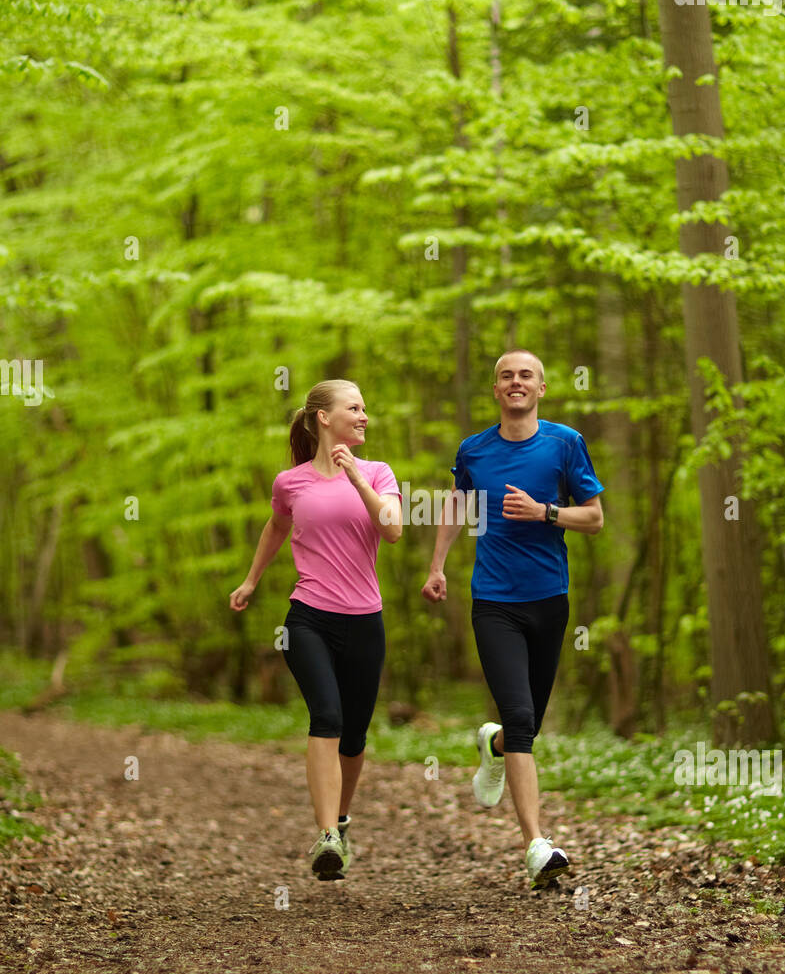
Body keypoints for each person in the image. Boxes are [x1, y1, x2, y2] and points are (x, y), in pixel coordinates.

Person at [421, 350, 604, 889]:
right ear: (496, 390)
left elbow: (594, 518)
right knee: (522, 719)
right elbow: (457, 504)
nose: (516, 382)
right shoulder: (473, 449)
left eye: (526, 375)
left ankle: (494, 745)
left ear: (541, 388)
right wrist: (437, 566)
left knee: (526, 728)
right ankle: (535, 845)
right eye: (506, 376)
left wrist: (545, 512)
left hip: (550, 600)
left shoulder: (565, 443)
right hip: (494, 602)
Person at [230, 379, 402, 880]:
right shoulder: (291, 482)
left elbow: (392, 530)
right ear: (324, 418)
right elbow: (275, 527)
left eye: (365, 407)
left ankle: (342, 819)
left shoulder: (378, 472)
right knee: (325, 715)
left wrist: (358, 482)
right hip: (309, 618)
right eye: (355, 407)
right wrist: (251, 579)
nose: (365, 415)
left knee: (354, 735)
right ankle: (326, 835)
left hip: (366, 619)